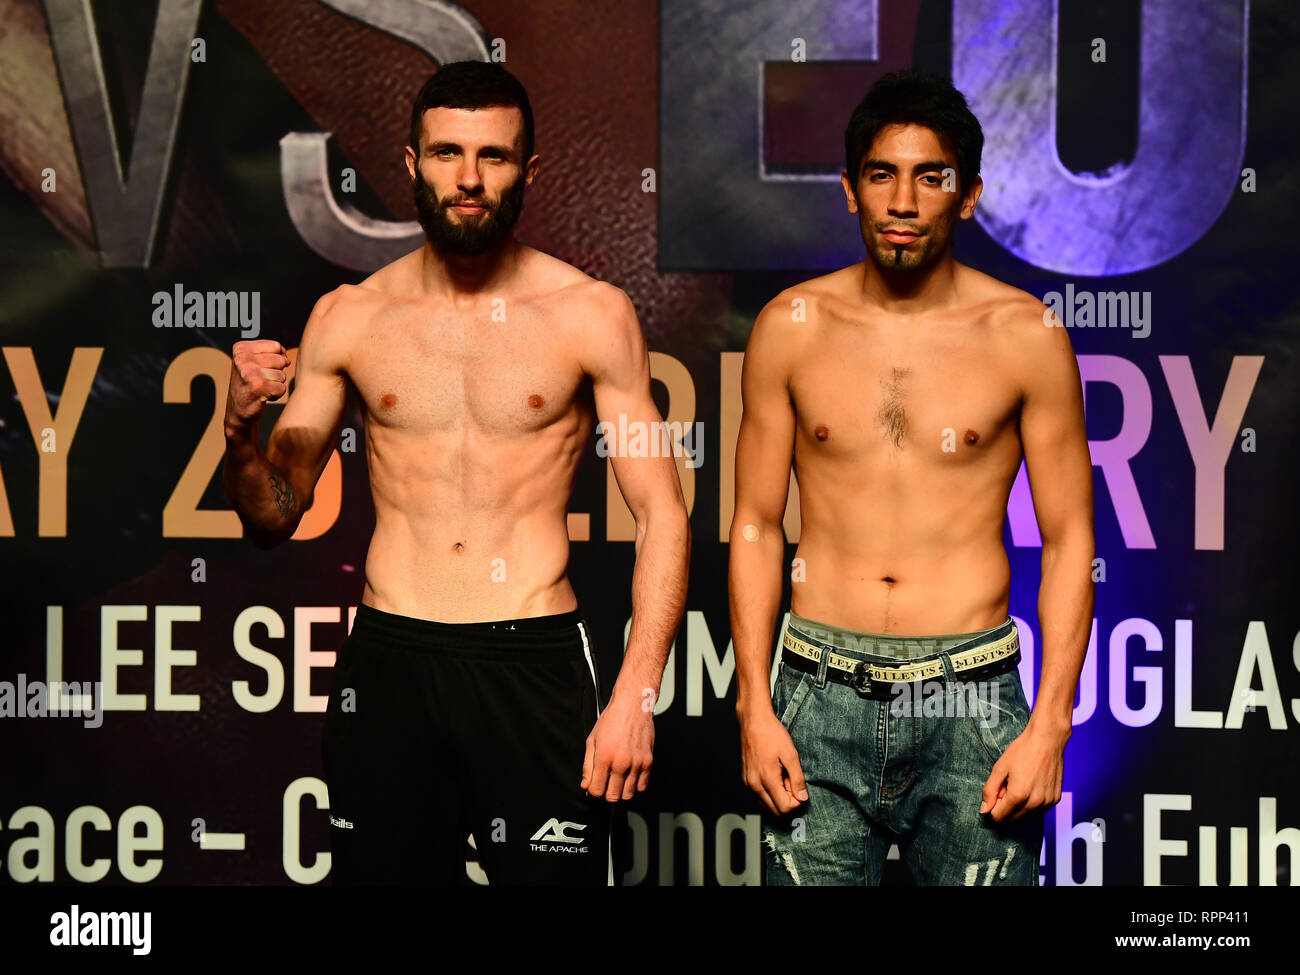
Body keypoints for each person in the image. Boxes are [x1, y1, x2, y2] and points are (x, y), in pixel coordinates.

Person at [222, 61, 690, 885]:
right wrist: (238, 426)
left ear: (529, 170)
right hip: (392, 663)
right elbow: (272, 515)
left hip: (534, 662)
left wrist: (635, 698)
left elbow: (661, 514)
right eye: (445, 153)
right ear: (410, 164)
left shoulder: (591, 314)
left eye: (493, 156)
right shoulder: (350, 317)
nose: (468, 179)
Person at [729, 70, 1093, 886]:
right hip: (816, 688)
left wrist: (1050, 727)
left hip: (970, 697)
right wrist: (755, 702)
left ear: (967, 197)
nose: (904, 200)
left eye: (931, 177)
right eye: (882, 175)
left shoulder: (1026, 336)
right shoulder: (790, 328)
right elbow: (755, 523)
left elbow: (1070, 539)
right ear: (851, 190)